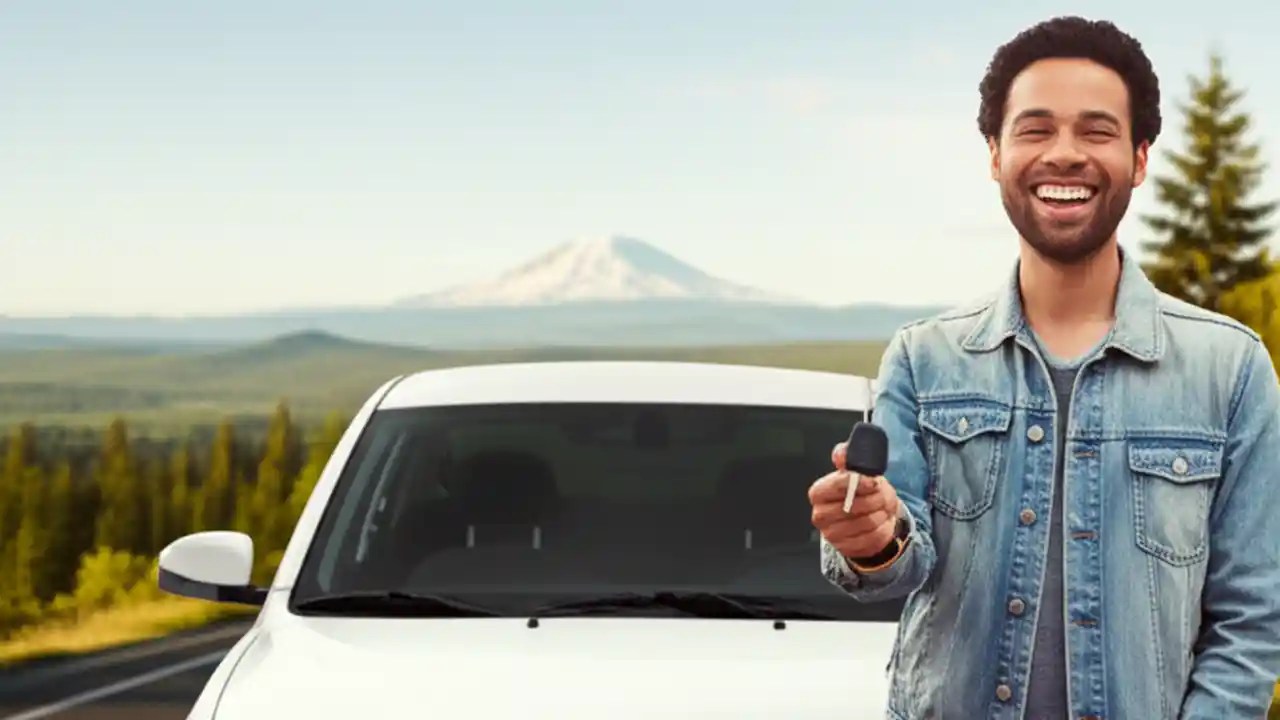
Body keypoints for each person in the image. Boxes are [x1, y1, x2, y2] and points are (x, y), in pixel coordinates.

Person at [808, 15, 1280, 720]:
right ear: (995, 154)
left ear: (1141, 157)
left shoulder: (1231, 369)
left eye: (1096, 131)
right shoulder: (922, 358)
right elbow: (891, 571)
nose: (1065, 155)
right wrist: (873, 537)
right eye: (1035, 130)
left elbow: (1252, 617)